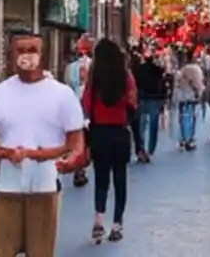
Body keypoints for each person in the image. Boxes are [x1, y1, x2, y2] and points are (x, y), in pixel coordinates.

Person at [0, 32, 86, 257]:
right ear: (11, 56)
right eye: (20, 50)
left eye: (32, 50)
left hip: (45, 186)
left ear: (43, 55)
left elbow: (76, 143)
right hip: (7, 187)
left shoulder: (62, 95)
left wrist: (61, 159)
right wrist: (7, 153)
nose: (26, 56)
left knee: (41, 252)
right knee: (0, 252)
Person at [83, 39, 137, 243]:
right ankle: (117, 224)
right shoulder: (126, 77)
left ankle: (99, 221)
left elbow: (86, 104)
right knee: (120, 179)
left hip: (99, 132)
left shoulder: (95, 79)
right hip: (120, 132)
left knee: (101, 179)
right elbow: (133, 103)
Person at [64, 35, 93, 187]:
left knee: (76, 140)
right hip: (87, 108)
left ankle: (78, 168)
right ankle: (81, 168)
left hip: (73, 106)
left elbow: (67, 85)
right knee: (86, 141)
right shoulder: (94, 66)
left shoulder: (69, 68)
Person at [131, 47, 168, 161]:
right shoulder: (158, 70)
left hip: (142, 98)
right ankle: (151, 148)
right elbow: (163, 82)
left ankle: (141, 147)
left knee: (141, 125)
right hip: (154, 99)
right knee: (153, 124)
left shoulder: (137, 70)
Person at [173, 53, 206, 150]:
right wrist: (199, 93)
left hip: (182, 96)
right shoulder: (196, 69)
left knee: (182, 117)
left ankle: (183, 138)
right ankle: (190, 139)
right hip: (192, 96)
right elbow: (199, 83)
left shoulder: (182, 70)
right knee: (192, 118)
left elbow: (177, 83)